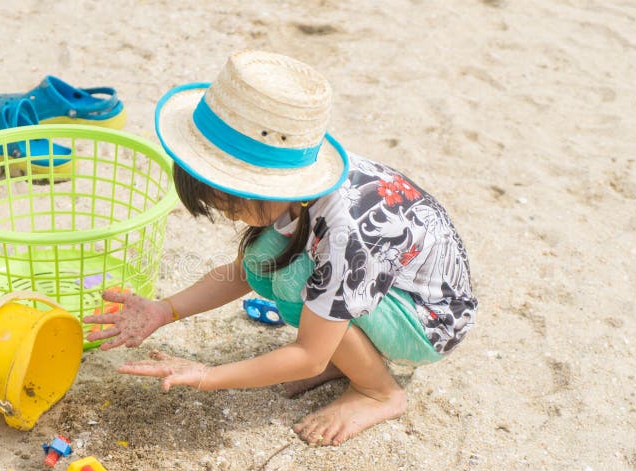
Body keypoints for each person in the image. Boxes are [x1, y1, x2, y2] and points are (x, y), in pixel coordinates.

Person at [83, 50, 477, 446]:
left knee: (294, 285)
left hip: (430, 321)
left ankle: (378, 391)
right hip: (389, 288)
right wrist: (163, 310)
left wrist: (208, 375)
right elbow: (239, 274)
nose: (229, 214)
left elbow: (307, 355)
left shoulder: (344, 232)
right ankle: (348, 357)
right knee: (263, 262)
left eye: (229, 200)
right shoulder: (300, 187)